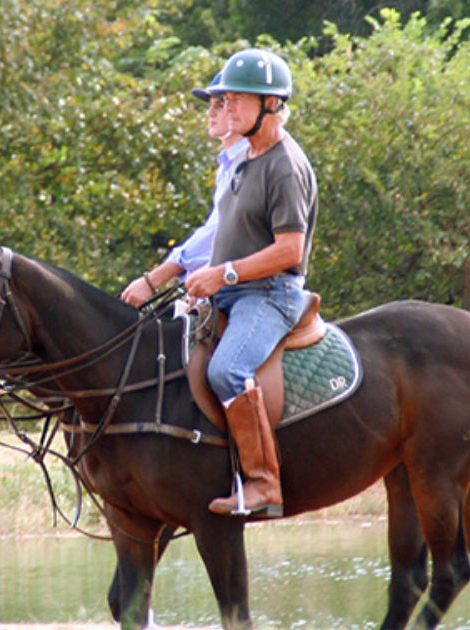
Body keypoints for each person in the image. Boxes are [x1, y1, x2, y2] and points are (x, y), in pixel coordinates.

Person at [184, 49, 317, 517]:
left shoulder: (285, 165)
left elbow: (289, 250)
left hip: (269, 294)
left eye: (241, 99)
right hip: (231, 291)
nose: (230, 106)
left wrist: (223, 273)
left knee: (226, 371)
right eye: (230, 98)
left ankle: (264, 484)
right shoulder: (245, 158)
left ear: (272, 106)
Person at [120, 72, 250, 306]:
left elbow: (218, 232)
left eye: (220, 105)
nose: (209, 113)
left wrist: (155, 279)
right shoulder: (227, 164)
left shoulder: (248, 163)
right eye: (210, 106)